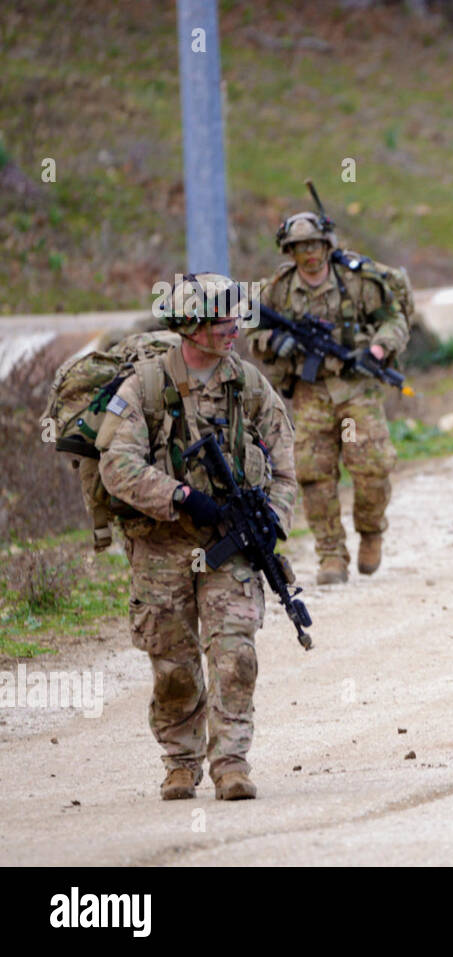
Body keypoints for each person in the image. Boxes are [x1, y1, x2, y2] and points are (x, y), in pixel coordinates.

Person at [98, 273, 297, 800]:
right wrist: (181, 497)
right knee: (174, 667)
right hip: (163, 546)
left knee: (236, 654)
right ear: (191, 326)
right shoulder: (143, 386)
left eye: (235, 317)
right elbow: (116, 465)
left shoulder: (249, 385)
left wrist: (274, 518)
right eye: (221, 320)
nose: (233, 328)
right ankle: (180, 761)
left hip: (229, 543)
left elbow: (285, 467)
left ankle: (231, 762)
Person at [249, 211, 409, 585]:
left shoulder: (356, 282)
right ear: (289, 251)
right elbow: (251, 329)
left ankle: (371, 531)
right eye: (300, 247)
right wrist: (273, 341)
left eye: (315, 245)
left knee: (371, 466)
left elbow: (395, 319)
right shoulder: (278, 290)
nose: (309, 254)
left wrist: (379, 350)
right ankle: (331, 554)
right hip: (311, 393)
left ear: (326, 245)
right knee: (313, 474)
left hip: (356, 388)